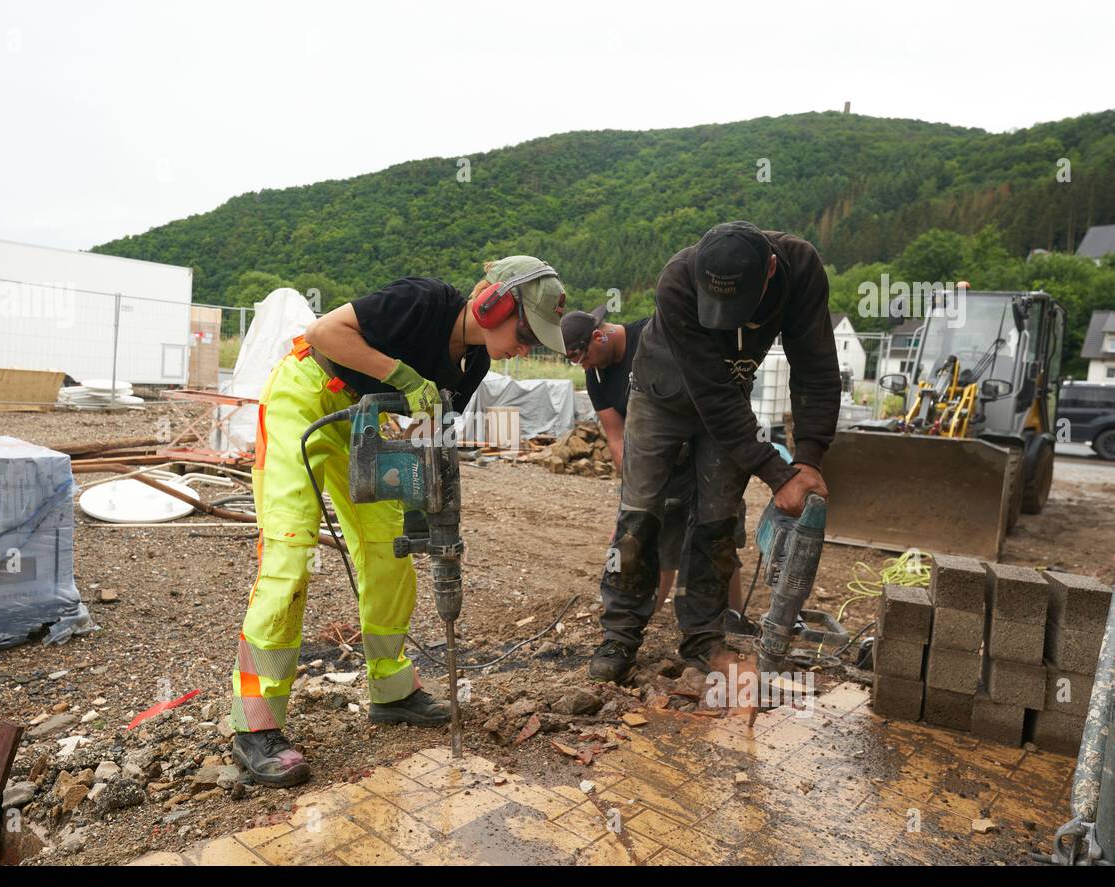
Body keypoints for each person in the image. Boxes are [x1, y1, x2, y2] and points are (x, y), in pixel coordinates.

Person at [230, 257, 567, 786]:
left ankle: (391, 691)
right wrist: (402, 375)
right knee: (291, 554)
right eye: (526, 332)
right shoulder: (423, 301)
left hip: (365, 421)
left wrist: (431, 508)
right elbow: (325, 332)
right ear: (493, 304)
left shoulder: (473, 364)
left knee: (392, 549)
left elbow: (431, 436)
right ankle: (255, 726)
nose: (526, 348)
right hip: (306, 395)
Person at [591, 221, 841, 683]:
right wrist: (776, 472)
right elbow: (712, 395)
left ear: (769, 269)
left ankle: (704, 637)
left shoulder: (800, 268)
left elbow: (817, 368)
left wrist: (807, 459)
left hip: (728, 400)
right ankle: (620, 633)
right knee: (640, 512)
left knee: (718, 518)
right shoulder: (678, 279)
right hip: (661, 397)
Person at [560, 306, 746, 617]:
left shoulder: (652, 334)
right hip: (657, 464)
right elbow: (618, 439)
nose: (582, 365)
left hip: (703, 445)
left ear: (598, 336)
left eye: (581, 355)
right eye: (573, 360)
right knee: (653, 541)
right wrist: (629, 505)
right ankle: (644, 622)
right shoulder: (596, 377)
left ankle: (733, 620)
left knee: (716, 539)